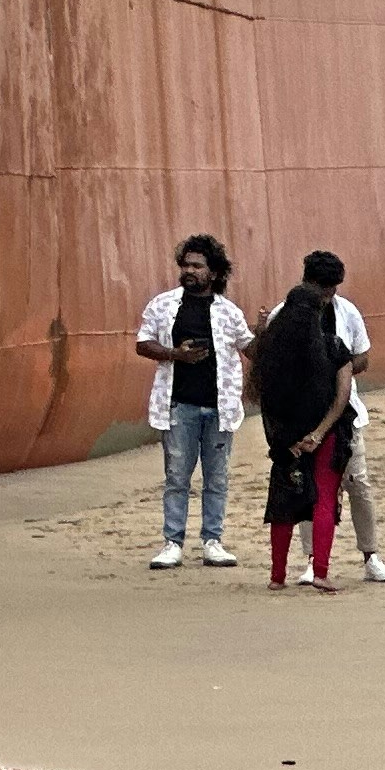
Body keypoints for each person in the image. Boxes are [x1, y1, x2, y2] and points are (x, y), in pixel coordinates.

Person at [131, 233, 251, 569]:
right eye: (186, 264)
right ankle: (173, 543)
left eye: (197, 265)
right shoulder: (163, 305)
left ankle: (213, 540)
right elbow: (143, 343)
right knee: (177, 477)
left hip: (220, 408)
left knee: (217, 478)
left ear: (213, 272)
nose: (189, 270)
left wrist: (266, 332)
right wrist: (174, 354)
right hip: (178, 405)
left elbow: (250, 348)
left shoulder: (229, 312)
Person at [252, 255, 358, 589]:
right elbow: (342, 396)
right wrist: (318, 432)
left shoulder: (270, 351)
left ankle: (277, 577)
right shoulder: (334, 347)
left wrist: (286, 440)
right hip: (322, 435)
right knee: (324, 499)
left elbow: (263, 397)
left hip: (284, 438)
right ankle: (321, 572)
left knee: (284, 503)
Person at [322, 253, 385, 584]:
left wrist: (337, 370)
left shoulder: (347, 311)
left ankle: (371, 556)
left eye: (331, 288)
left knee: (358, 484)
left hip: (346, 411)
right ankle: (313, 561)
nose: (327, 295)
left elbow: (363, 357)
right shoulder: (290, 313)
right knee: (312, 490)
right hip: (304, 415)